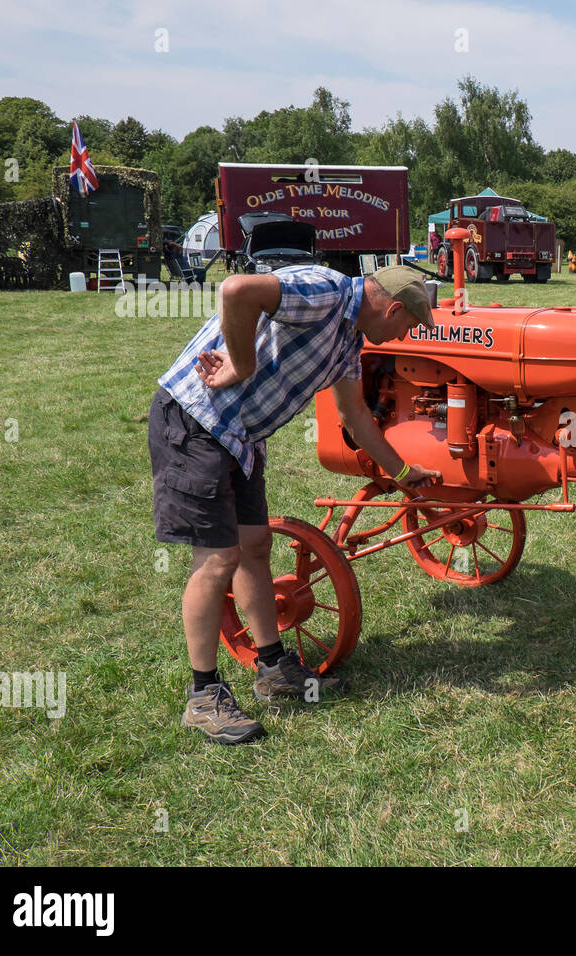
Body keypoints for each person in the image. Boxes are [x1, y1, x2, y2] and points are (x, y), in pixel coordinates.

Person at [150, 263, 442, 744]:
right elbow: (238, 290)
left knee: (255, 546)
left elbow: (356, 416)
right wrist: (242, 364)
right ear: (391, 308)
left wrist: (405, 474)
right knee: (218, 557)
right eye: (407, 326)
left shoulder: (349, 340)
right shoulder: (324, 291)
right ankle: (203, 697)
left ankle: (273, 669)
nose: (401, 336)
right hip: (194, 422)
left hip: (239, 436)